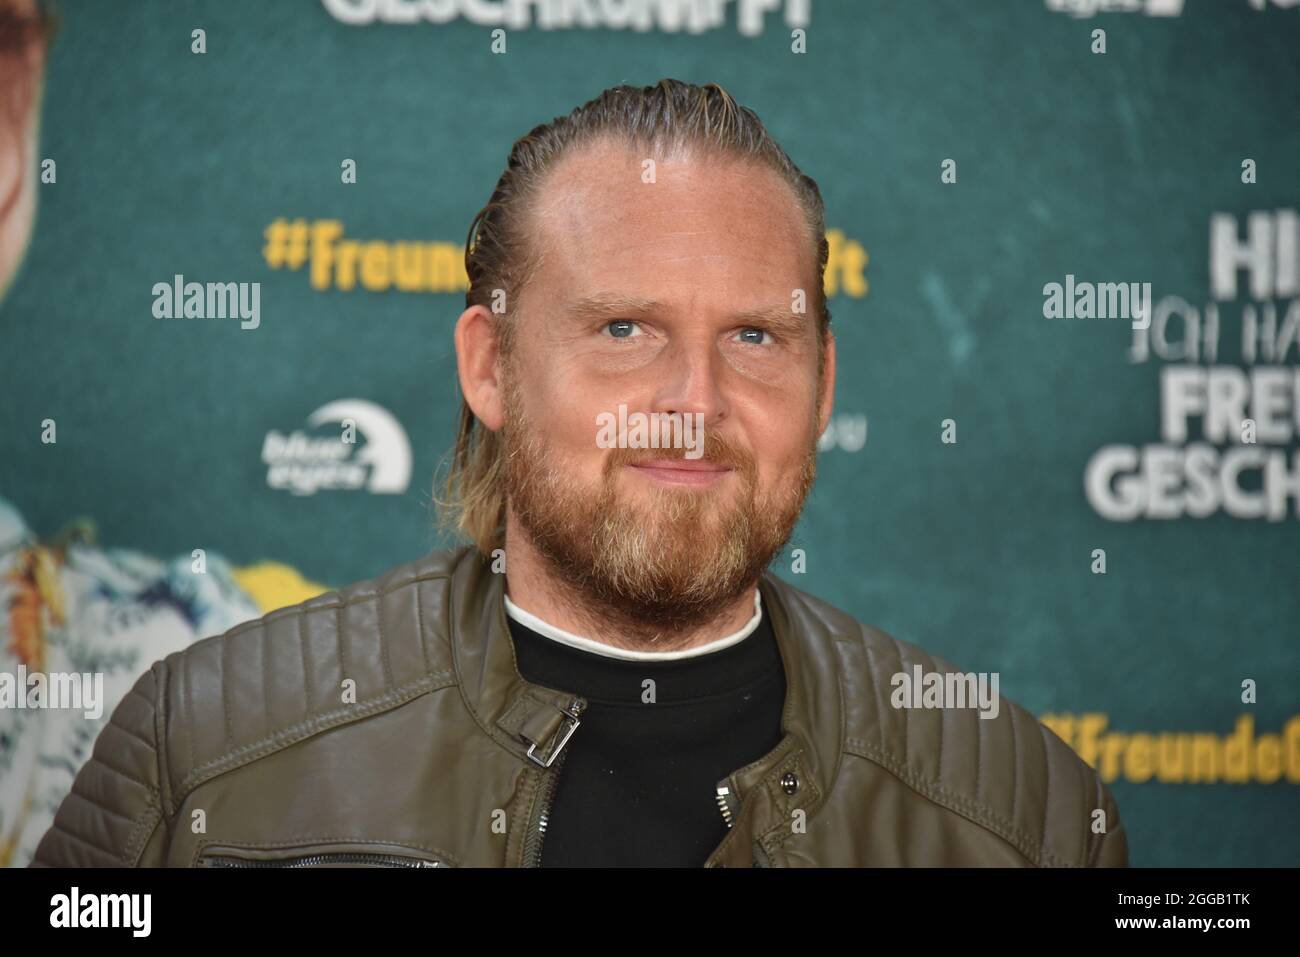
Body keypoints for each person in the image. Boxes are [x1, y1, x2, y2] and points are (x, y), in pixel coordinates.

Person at [31, 79, 1127, 868]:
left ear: (825, 384)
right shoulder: (210, 743)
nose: (693, 404)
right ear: (489, 368)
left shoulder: (1018, 815)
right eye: (621, 329)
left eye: (754, 338)